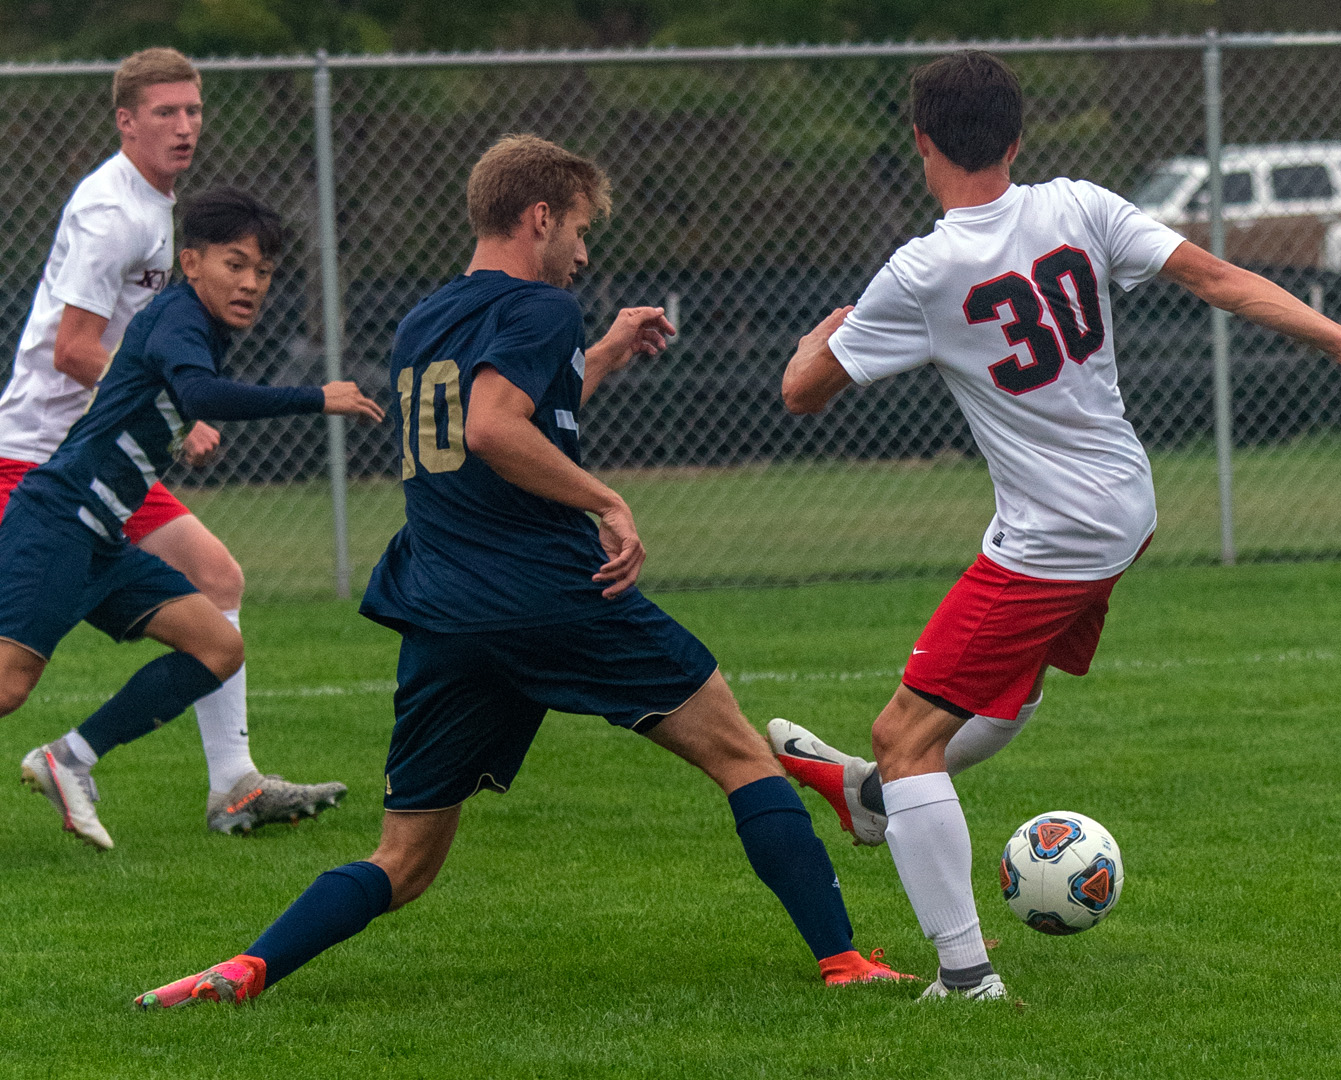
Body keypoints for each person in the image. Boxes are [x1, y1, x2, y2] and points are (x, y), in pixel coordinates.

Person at [135, 134, 911, 1009]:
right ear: (539, 218)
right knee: (744, 758)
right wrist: (607, 501)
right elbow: (495, 430)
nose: (583, 254)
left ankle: (243, 969)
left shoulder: (424, 318)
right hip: (546, 592)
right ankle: (846, 963)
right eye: (578, 231)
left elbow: (509, 413)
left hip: (442, 609)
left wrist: (605, 354)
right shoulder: (542, 308)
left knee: (404, 860)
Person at [769, 50, 1341, 1000]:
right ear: (1016, 138)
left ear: (921, 142)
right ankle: (874, 799)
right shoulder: (1078, 206)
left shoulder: (921, 271)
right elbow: (1217, 279)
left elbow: (801, 393)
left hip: (1052, 537)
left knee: (903, 733)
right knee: (1005, 699)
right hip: (1124, 507)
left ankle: (964, 976)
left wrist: (815, 341)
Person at [1, 47, 349, 837]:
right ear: (126, 121)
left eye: (193, 110)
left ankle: (231, 784)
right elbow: (73, 347)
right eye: (165, 112)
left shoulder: (161, 208)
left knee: (217, 585)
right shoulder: (111, 211)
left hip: (104, 465)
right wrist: (178, 403)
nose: (184, 126)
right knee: (12, 675)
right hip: (42, 456)